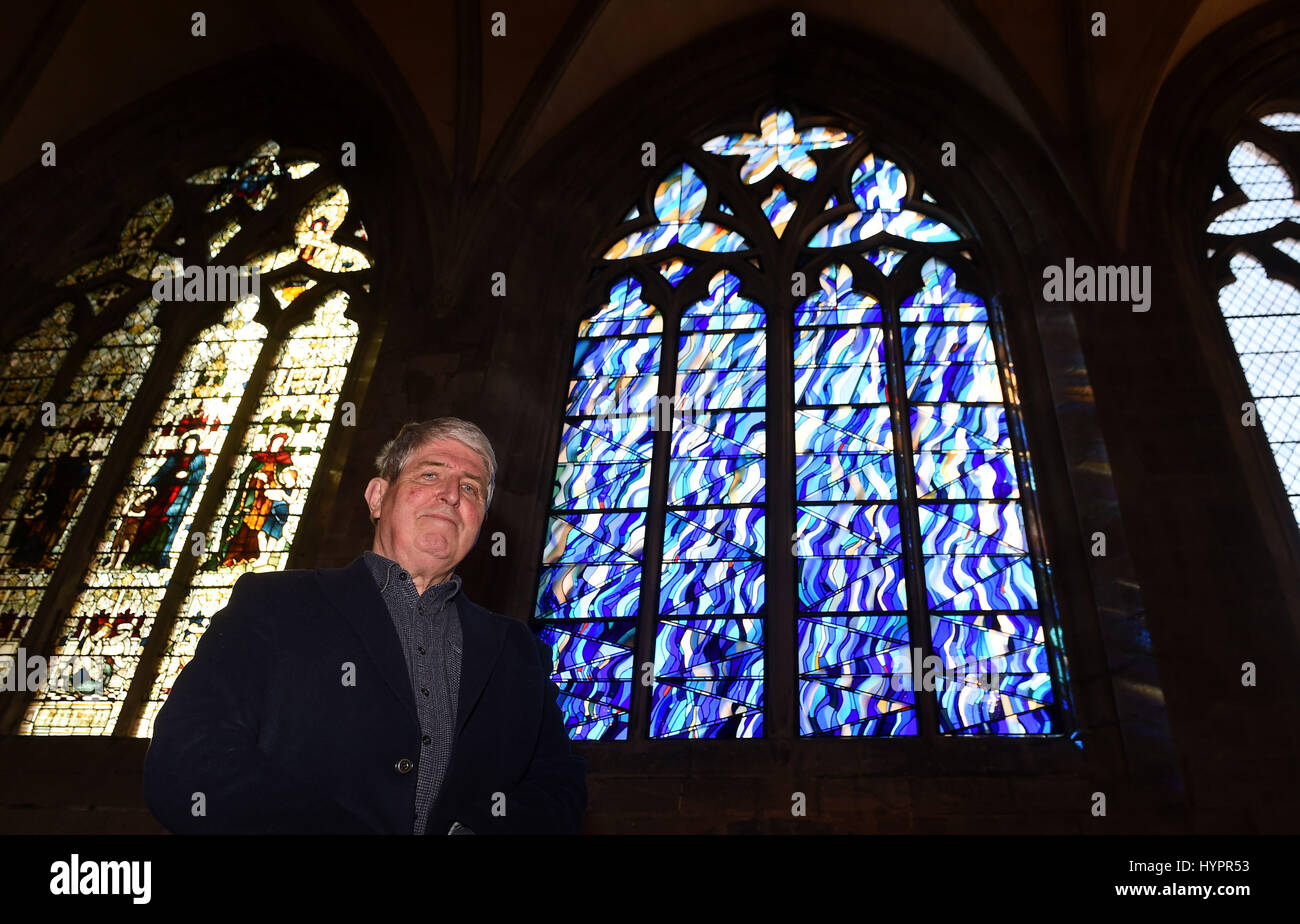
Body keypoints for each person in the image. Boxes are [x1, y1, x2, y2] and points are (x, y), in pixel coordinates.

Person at [142, 417, 586, 834]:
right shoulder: (276, 604)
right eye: (430, 474)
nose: (451, 494)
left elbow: (558, 789)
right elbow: (188, 757)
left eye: (471, 487)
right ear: (377, 497)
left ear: (480, 521)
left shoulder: (515, 650)